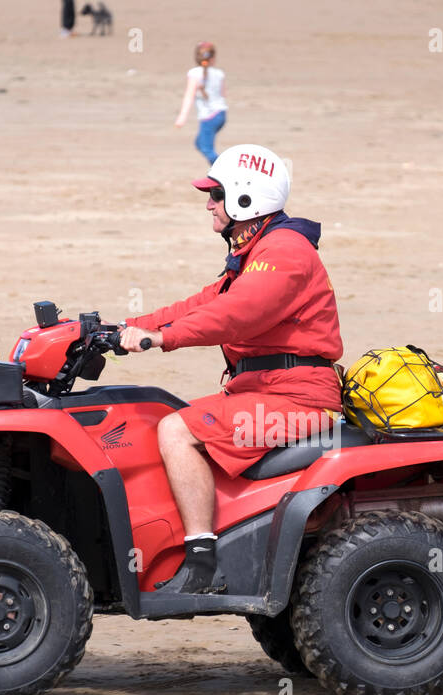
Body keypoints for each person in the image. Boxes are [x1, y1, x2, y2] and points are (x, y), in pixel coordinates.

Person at [119, 144, 343, 593]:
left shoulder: (284, 251)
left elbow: (238, 313)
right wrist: (123, 328)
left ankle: (203, 563)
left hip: (297, 402)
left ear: (246, 199)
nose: (208, 204)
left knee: (177, 430)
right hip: (265, 391)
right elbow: (202, 303)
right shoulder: (255, 251)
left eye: (216, 195)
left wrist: (162, 339)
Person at [175, 42, 227, 164]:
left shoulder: (194, 73)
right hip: (221, 114)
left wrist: (182, 117)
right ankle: (218, 167)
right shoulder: (219, 74)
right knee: (199, 143)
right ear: (213, 59)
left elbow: (189, 96)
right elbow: (223, 94)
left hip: (209, 117)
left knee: (206, 148)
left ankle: (222, 170)